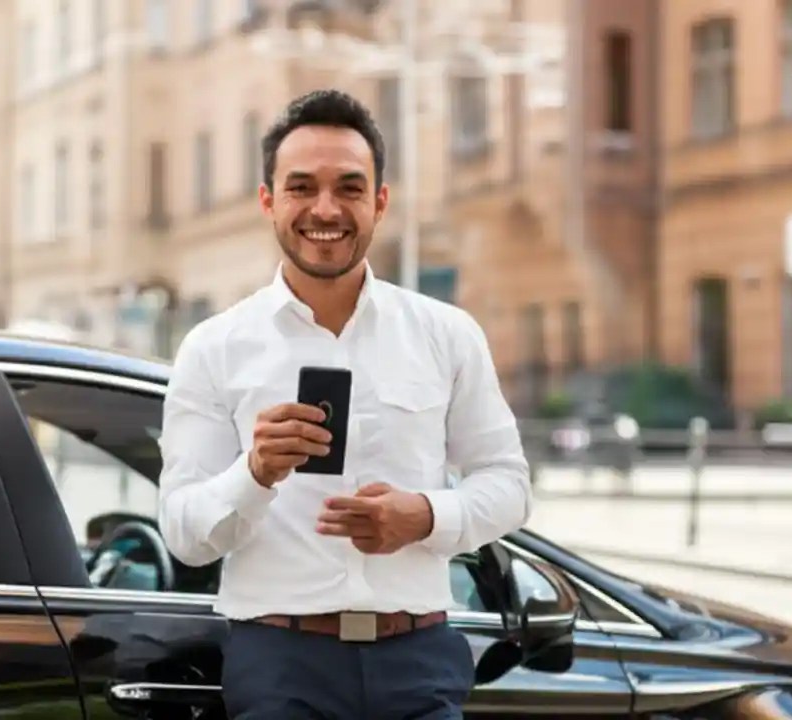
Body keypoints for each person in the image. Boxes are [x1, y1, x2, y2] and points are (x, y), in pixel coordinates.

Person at [157, 89, 532, 719]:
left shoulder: (446, 334)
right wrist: (254, 474)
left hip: (418, 660)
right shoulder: (214, 347)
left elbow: (511, 485)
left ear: (379, 203)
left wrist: (425, 515)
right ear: (268, 200)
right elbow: (185, 534)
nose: (325, 209)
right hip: (282, 666)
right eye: (301, 187)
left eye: (349, 188)